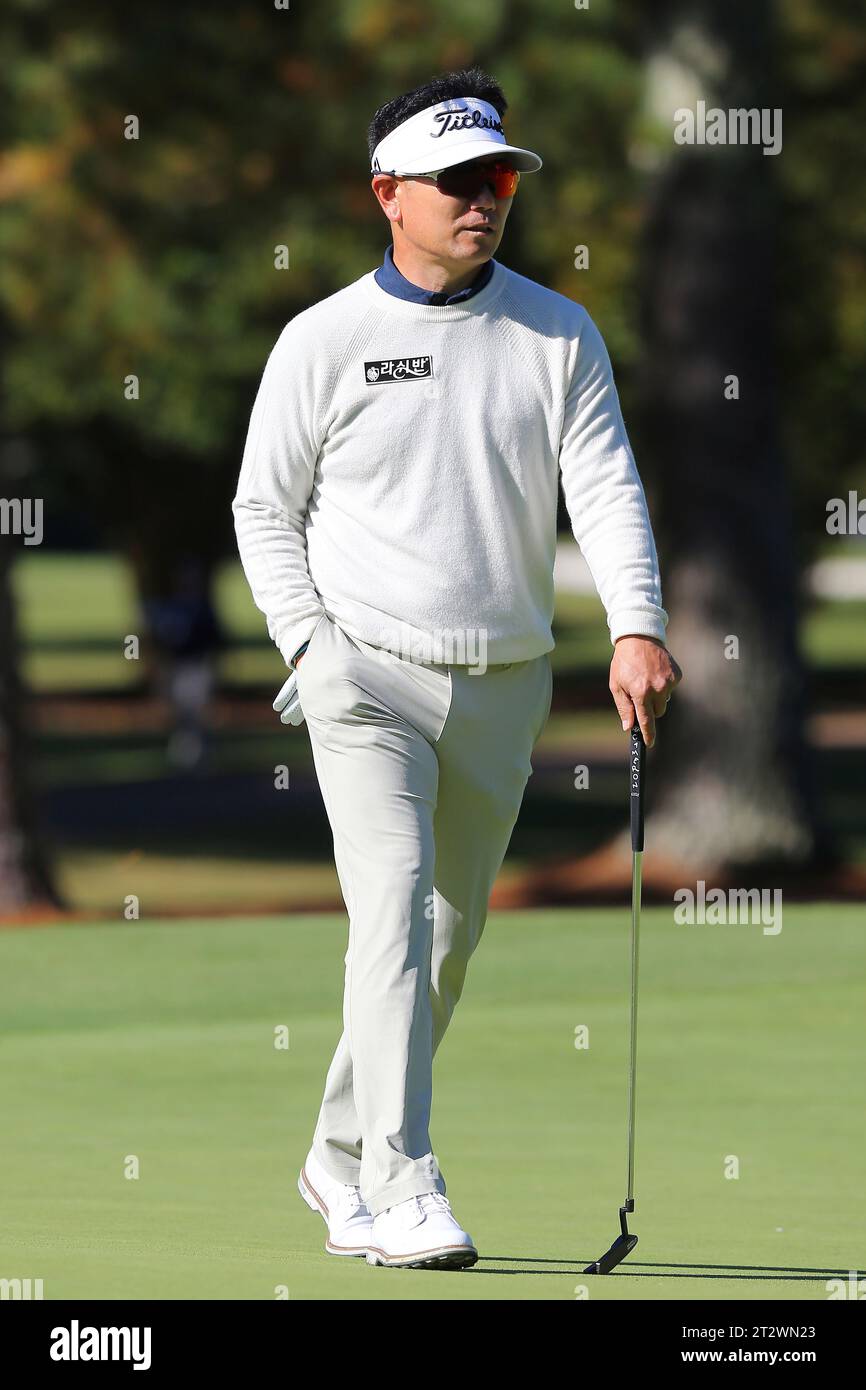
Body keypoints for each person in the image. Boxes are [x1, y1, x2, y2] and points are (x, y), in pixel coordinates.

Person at [232, 66, 682, 1271]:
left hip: (505, 681)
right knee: (386, 919)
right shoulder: (322, 338)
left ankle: (333, 1159)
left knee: (441, 942)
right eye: (453, 183)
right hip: (361, 677)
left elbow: (602, 484)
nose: (482, 200)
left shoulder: (556, 330)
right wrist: (308, 651)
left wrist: (634, 623)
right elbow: (261, 509)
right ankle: (404, 1182)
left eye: (496, 180)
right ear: (388, 194)